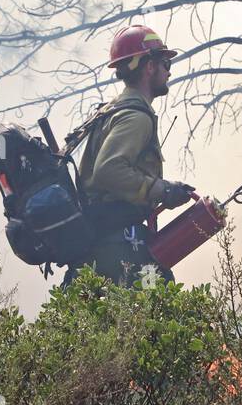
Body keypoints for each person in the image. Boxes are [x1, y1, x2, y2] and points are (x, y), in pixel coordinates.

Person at [68, 25, 196, 288]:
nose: (169, 69)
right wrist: (161, 189)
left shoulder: (111, 110)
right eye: (164, 61)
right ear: (148, 67)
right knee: (159, 312)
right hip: (121, 245)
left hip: (99, 243)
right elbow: (108, 170)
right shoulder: (135, 117)